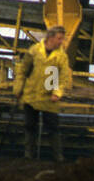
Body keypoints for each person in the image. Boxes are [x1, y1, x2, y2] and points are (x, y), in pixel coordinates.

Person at [13, 24, 72, 161]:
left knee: (53, 127)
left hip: (48, 97)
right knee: (29, 126)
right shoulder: (34, 51)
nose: (61, 42)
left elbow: (63, 77)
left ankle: (58, 156)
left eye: (62, 39)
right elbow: (23, 71)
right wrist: (18, 89)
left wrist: (57, 93)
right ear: (50, 38)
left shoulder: (61, 56)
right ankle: (29, 155)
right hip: (31, 95)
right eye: (59, 39)